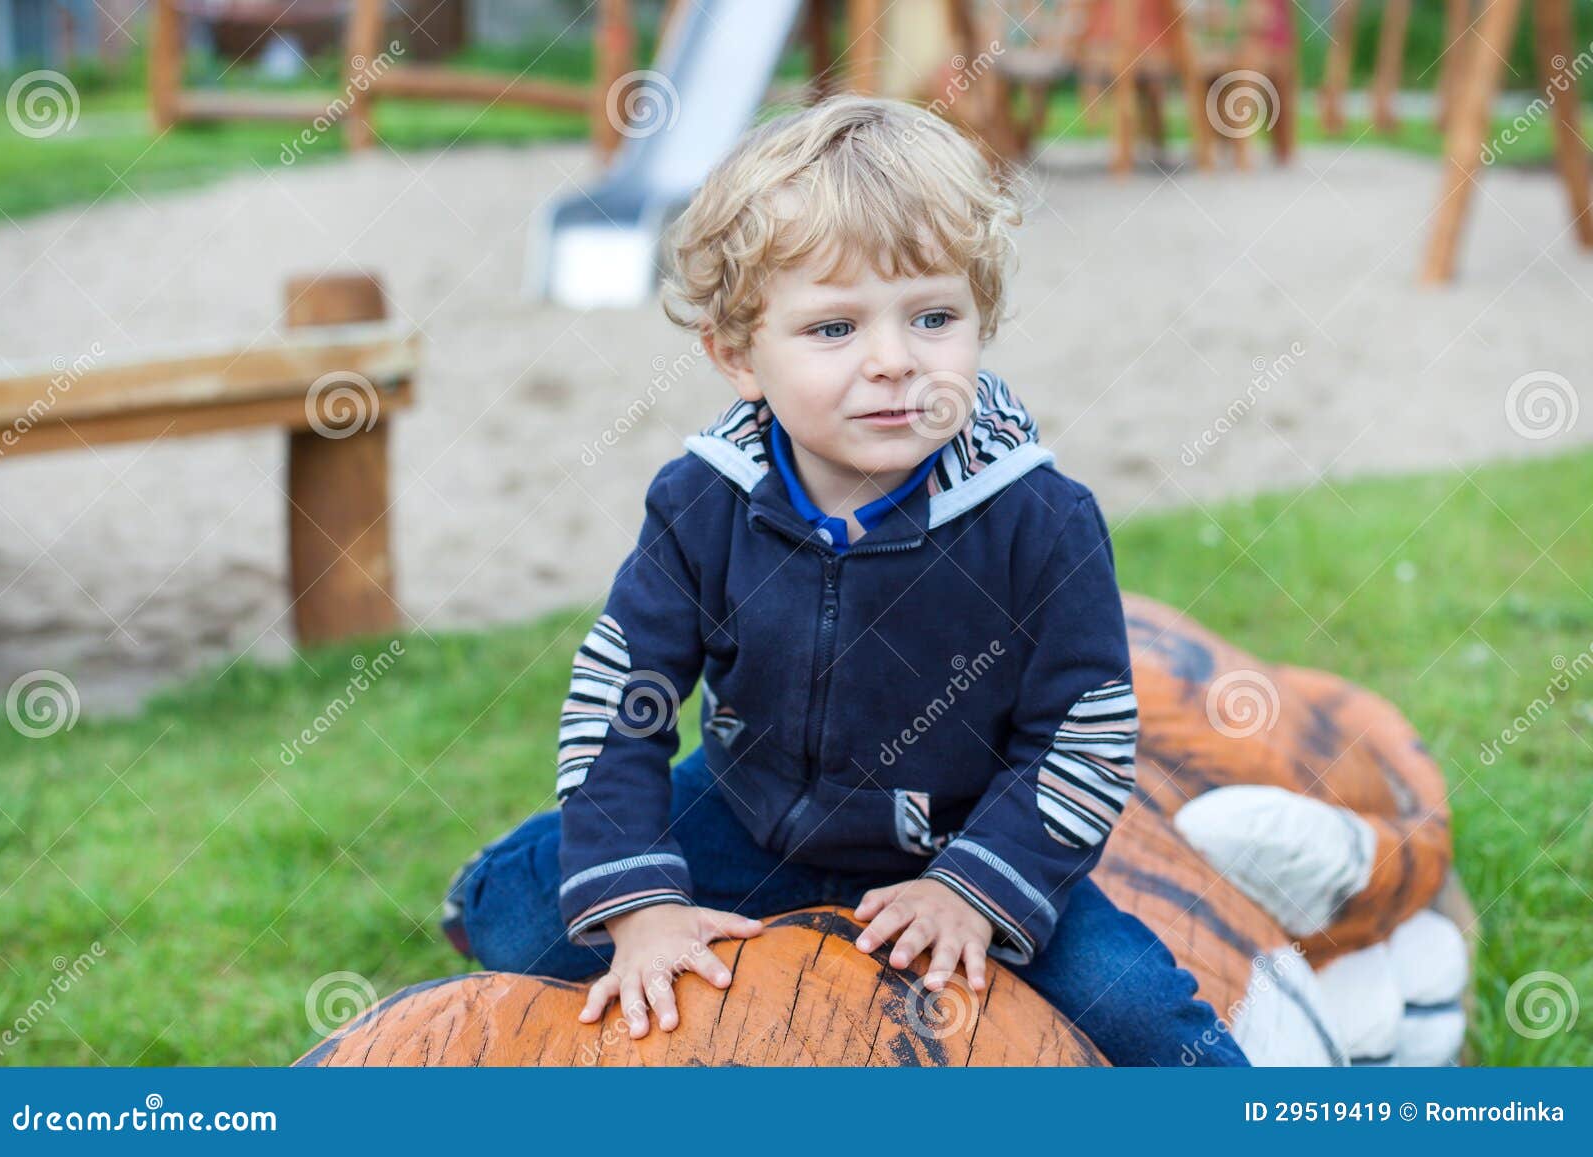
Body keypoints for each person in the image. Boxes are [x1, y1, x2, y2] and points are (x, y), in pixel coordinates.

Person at [441, 94, 1250, 1067]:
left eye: (934, 315)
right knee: (525, 920)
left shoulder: (1037, 519)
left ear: (980, 319)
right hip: (744, 816)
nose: (895, 360)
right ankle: (497, 881)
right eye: (833, 328)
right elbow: (623, 696)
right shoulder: (705, 500)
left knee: (1143, 1023)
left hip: (955, 838)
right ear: (738, 355)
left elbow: (1082, 731)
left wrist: (974, 887)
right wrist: (644, 900)